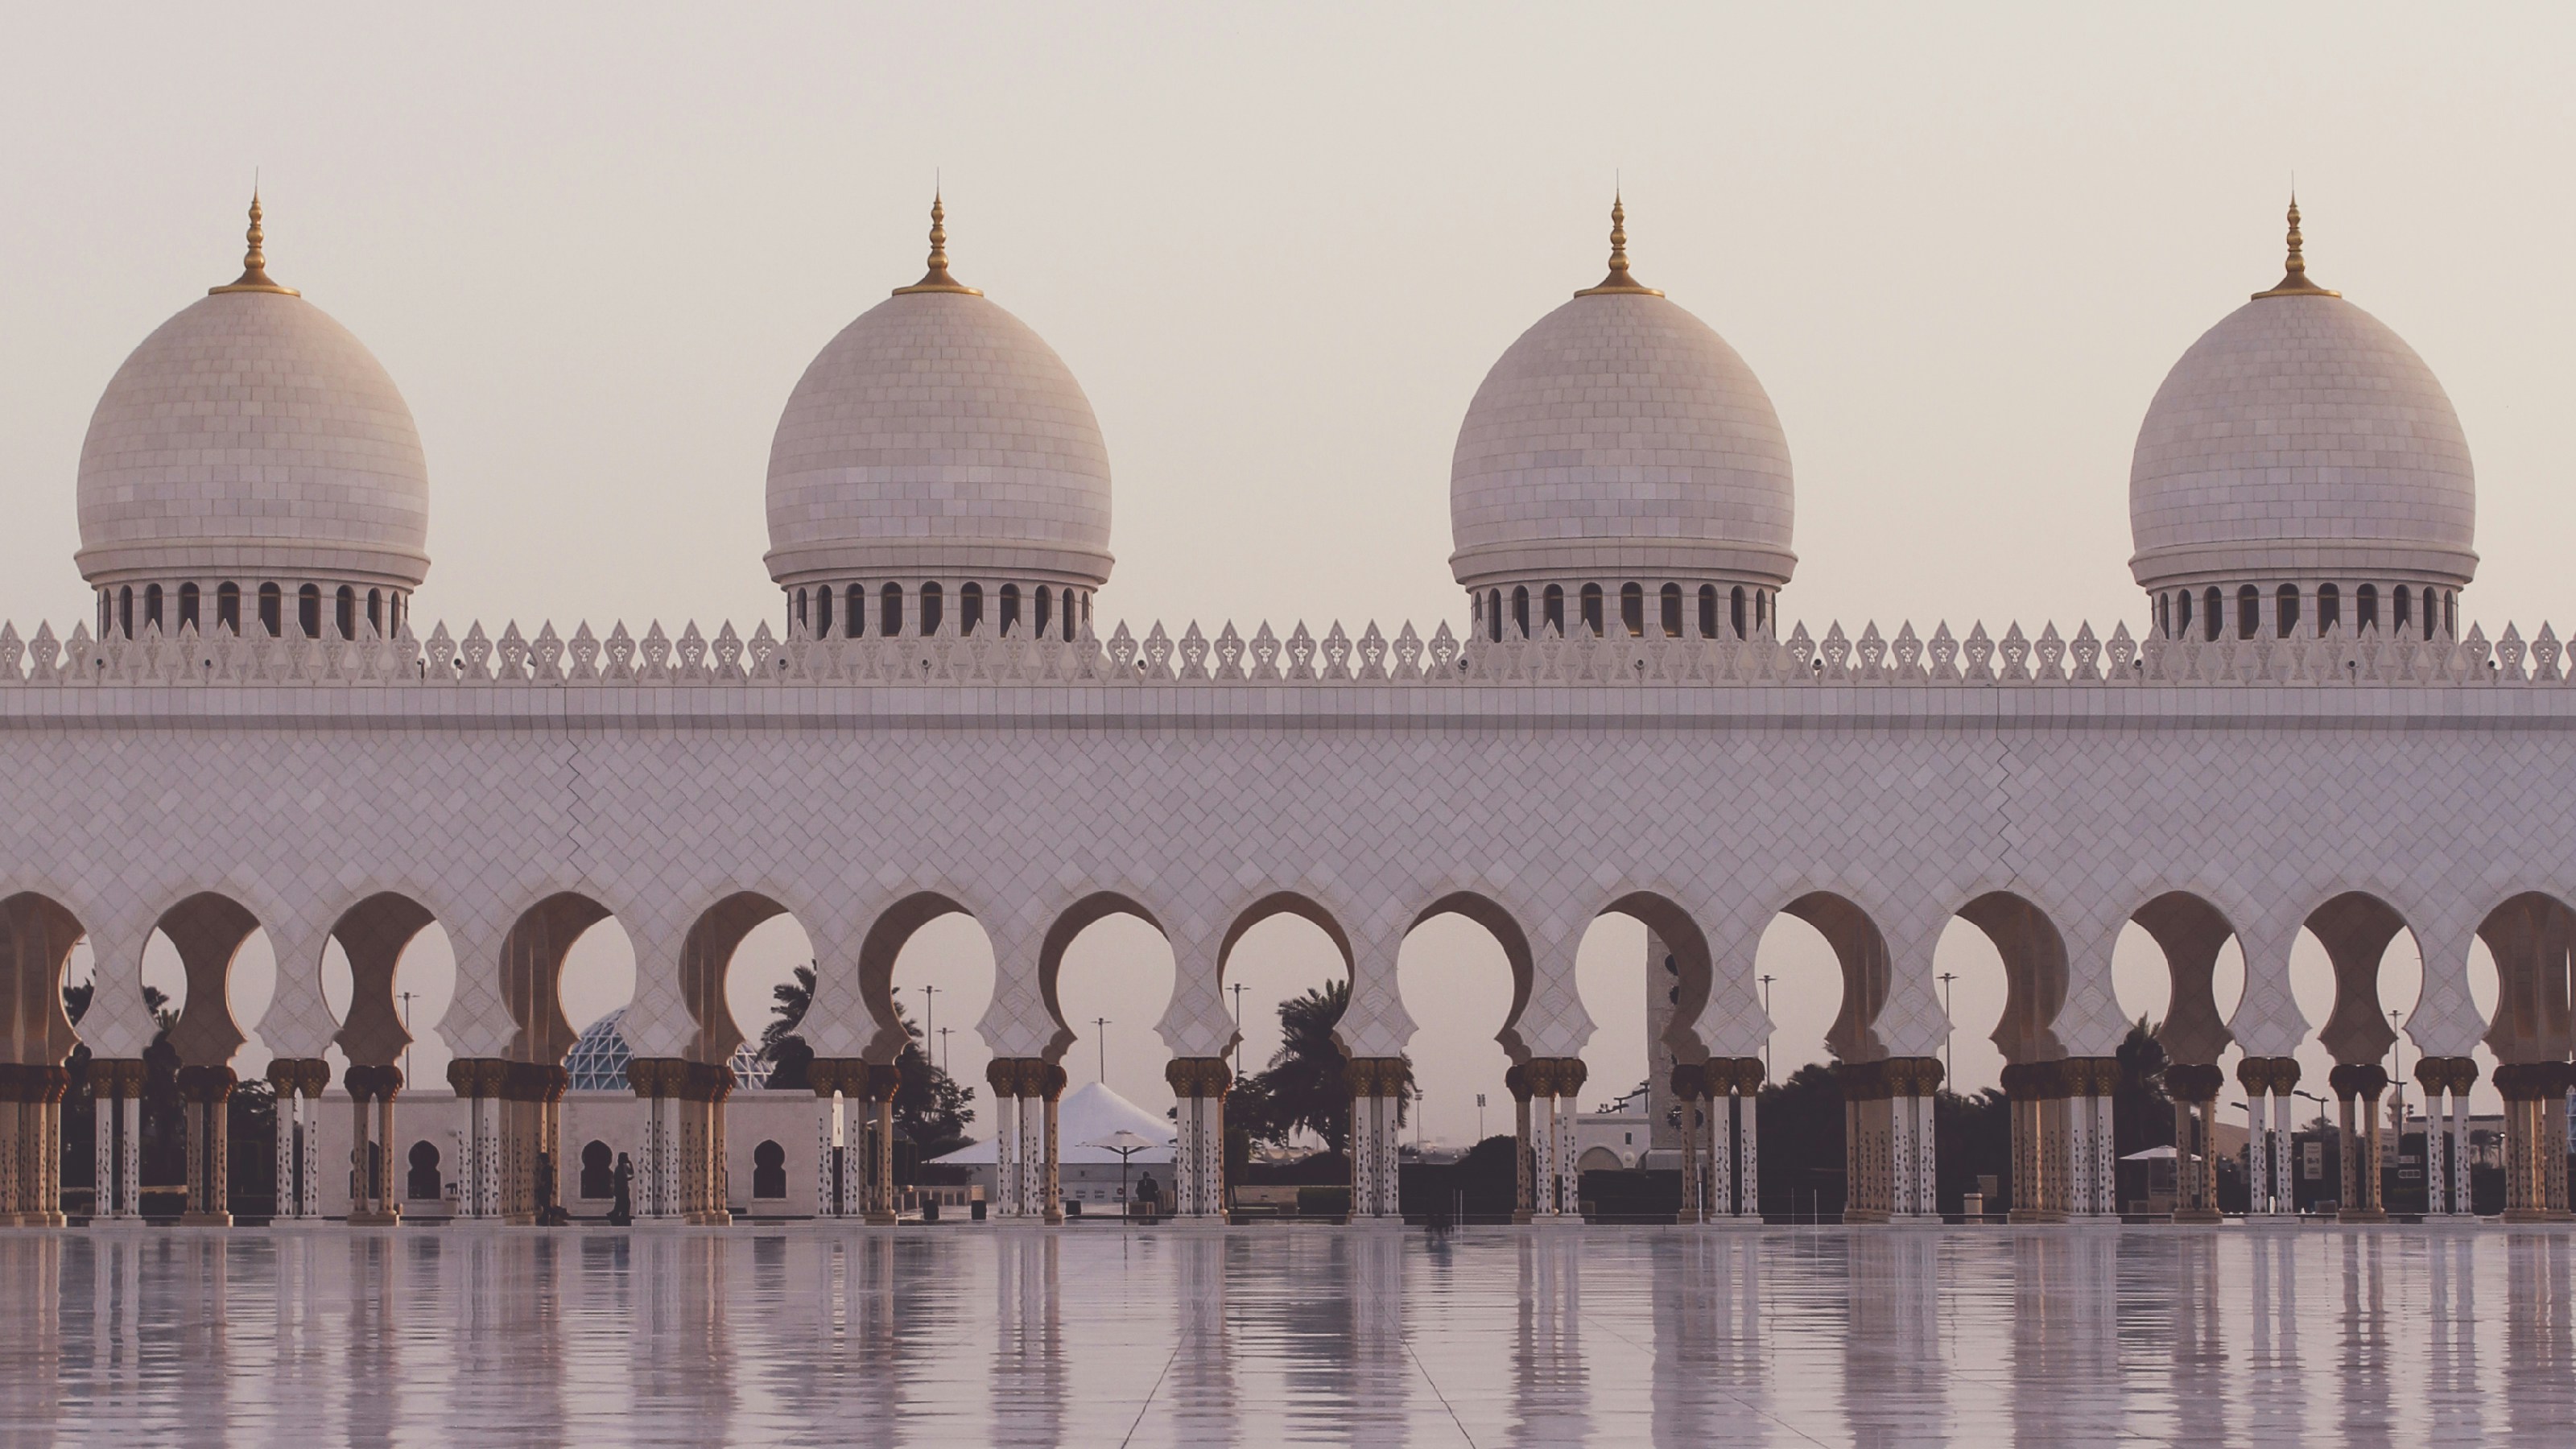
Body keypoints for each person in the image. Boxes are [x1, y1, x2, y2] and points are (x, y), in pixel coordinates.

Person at [608, 1152, 634, 1227]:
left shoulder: (623, 1168)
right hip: (621, 1191)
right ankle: (620, 1218)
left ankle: (618, 1217)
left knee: (621, 1206)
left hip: (623, 1190)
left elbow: (631, 1174)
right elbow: (622, 1180)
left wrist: (630, 1164)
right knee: (624, 1205)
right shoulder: (619, 1169)